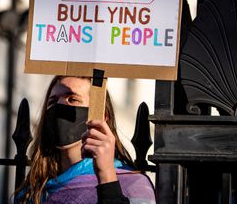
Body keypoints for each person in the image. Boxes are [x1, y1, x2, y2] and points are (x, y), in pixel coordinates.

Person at [14, 75, 156, 204]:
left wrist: (106, 178)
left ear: (101, 116)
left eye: (72, 99)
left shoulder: (133, 185)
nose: (60, 105)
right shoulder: (33, 192)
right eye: (53, 101)